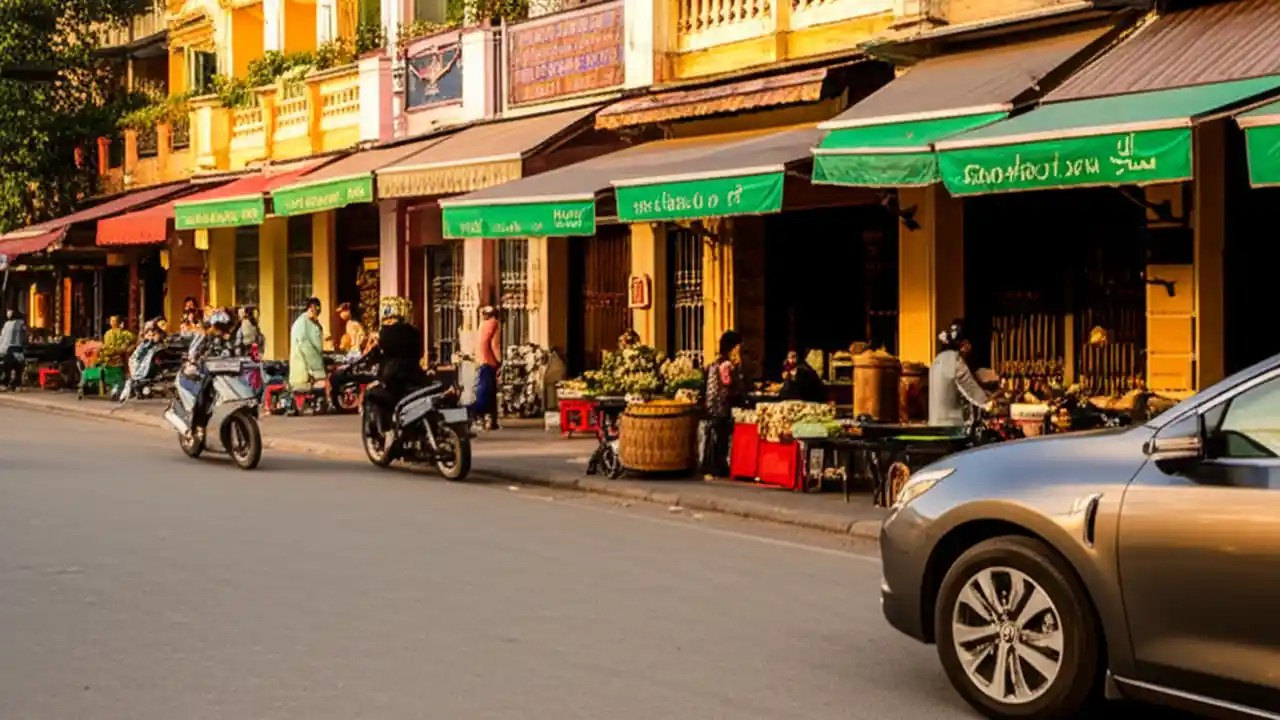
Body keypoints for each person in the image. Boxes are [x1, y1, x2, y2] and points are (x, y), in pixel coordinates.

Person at [360, 297, 429, 433]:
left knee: (373, 394)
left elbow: (372, 355)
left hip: (394, 379)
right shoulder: (414, 333)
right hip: (416, 377)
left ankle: (386, 429)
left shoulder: (385, 333)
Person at [701, 330, 746, 479]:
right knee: (720, 439)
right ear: (733, 347)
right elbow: (729, 385)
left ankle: (713, 466)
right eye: (738, 346)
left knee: (716, 437)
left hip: (712, 405)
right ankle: (718, 467)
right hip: (721, 406)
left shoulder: (715, 363)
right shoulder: (726, 365)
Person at [928, 319, 990, 427]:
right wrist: (988, 403)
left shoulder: (938, 359)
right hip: (952, 424)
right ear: (965, 345)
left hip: (937, 422)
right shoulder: (955, 360)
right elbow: (969, 387)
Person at [470, 305, 502, 430]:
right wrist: (499, 360)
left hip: (481, 361)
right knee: (489, 392)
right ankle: (489, 419)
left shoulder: (482, 325)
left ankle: (482, 418)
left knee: (482, 390)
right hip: (490, 361)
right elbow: (495, 344)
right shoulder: (494, 324)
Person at [289, 297, 326, 390]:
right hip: (303, 372)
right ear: (311, 308)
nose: (316, 314)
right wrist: (318, 371)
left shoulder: (312, 323)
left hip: (311, 371)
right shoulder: (301, 323)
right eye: (315, 310)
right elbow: (306, 348)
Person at [0, 309, 28, 390]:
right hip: (19, 350)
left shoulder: (8, 324)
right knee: (18, 367)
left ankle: (5, 384)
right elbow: (24, 337)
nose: (8, 313)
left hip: (10, 348)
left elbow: (3, 338)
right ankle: (16, 384)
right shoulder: (22, 324)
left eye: (9, 312)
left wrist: (1, 349)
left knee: (7, 367)